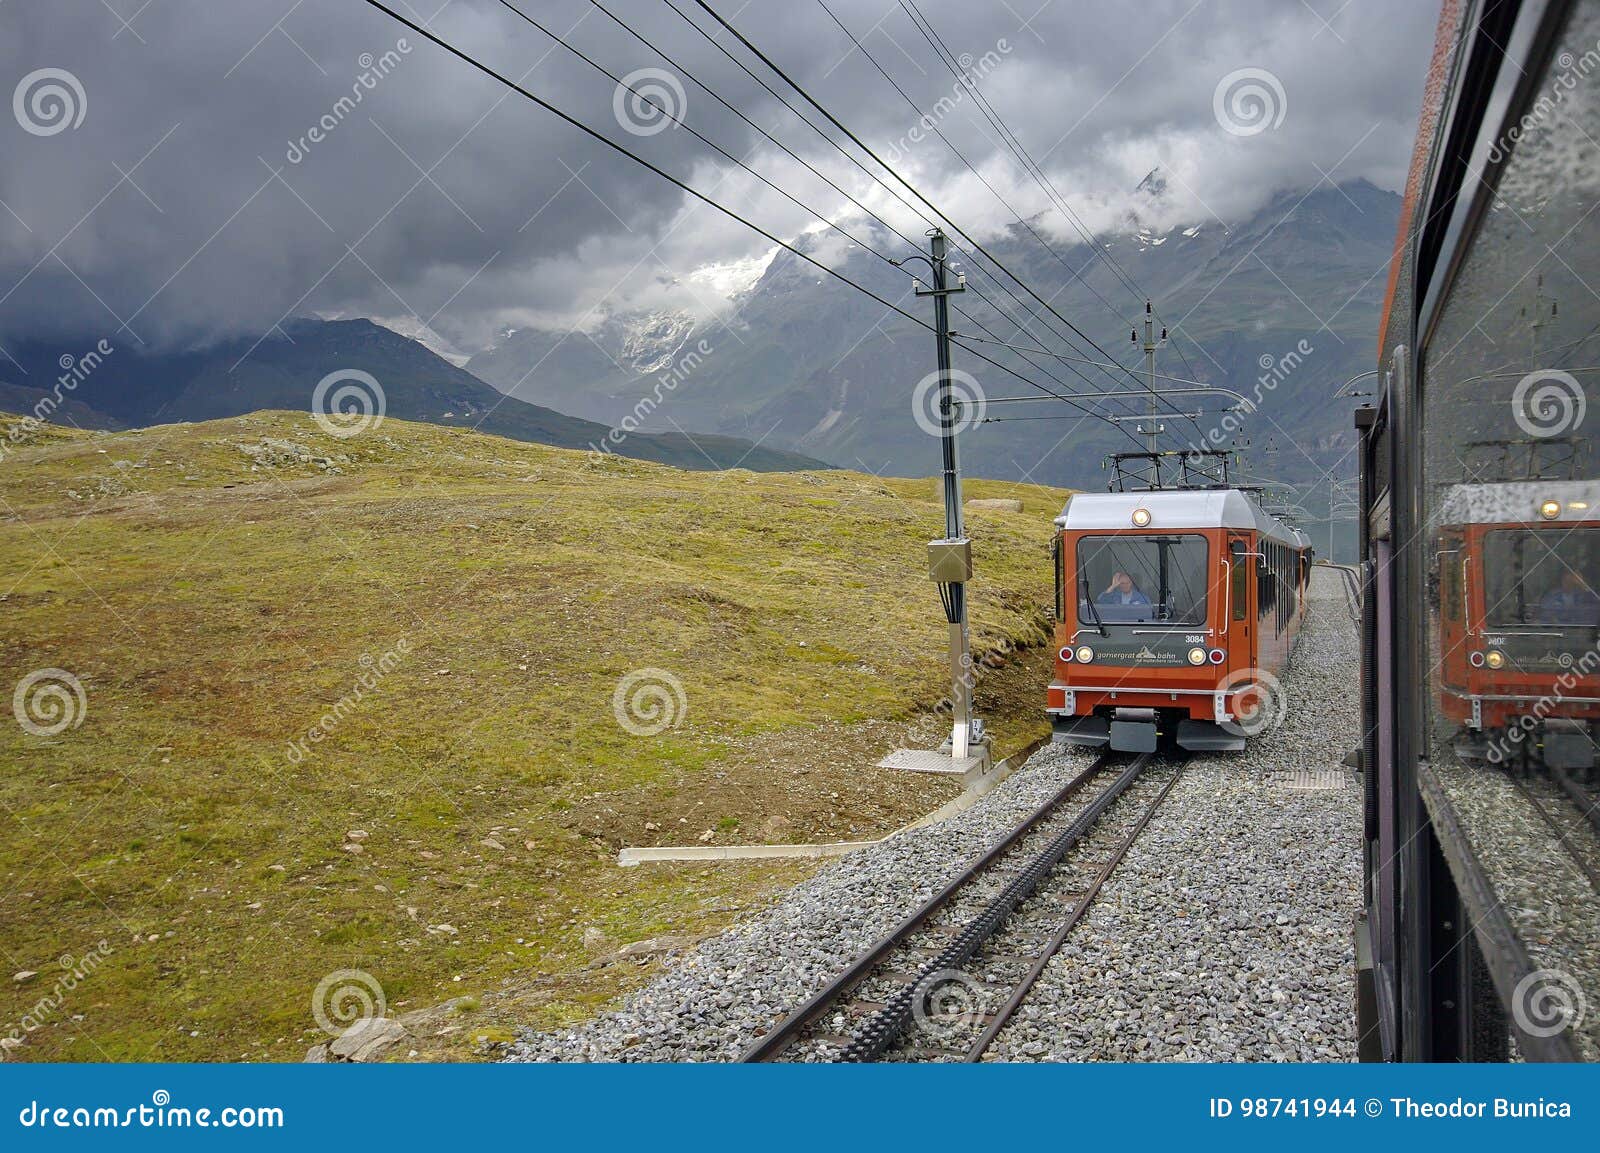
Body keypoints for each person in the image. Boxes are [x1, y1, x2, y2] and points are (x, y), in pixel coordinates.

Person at [1536, 568, 1600, 626]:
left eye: (1572, 579)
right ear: (1562, 579)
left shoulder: (1584, 595)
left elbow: (1595, 609)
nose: (1568, 582)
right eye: (1565, 579)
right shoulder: (1552, 596)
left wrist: (1583, 585)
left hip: (1581, 631)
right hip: (1558, 632)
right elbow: (1544, 615)